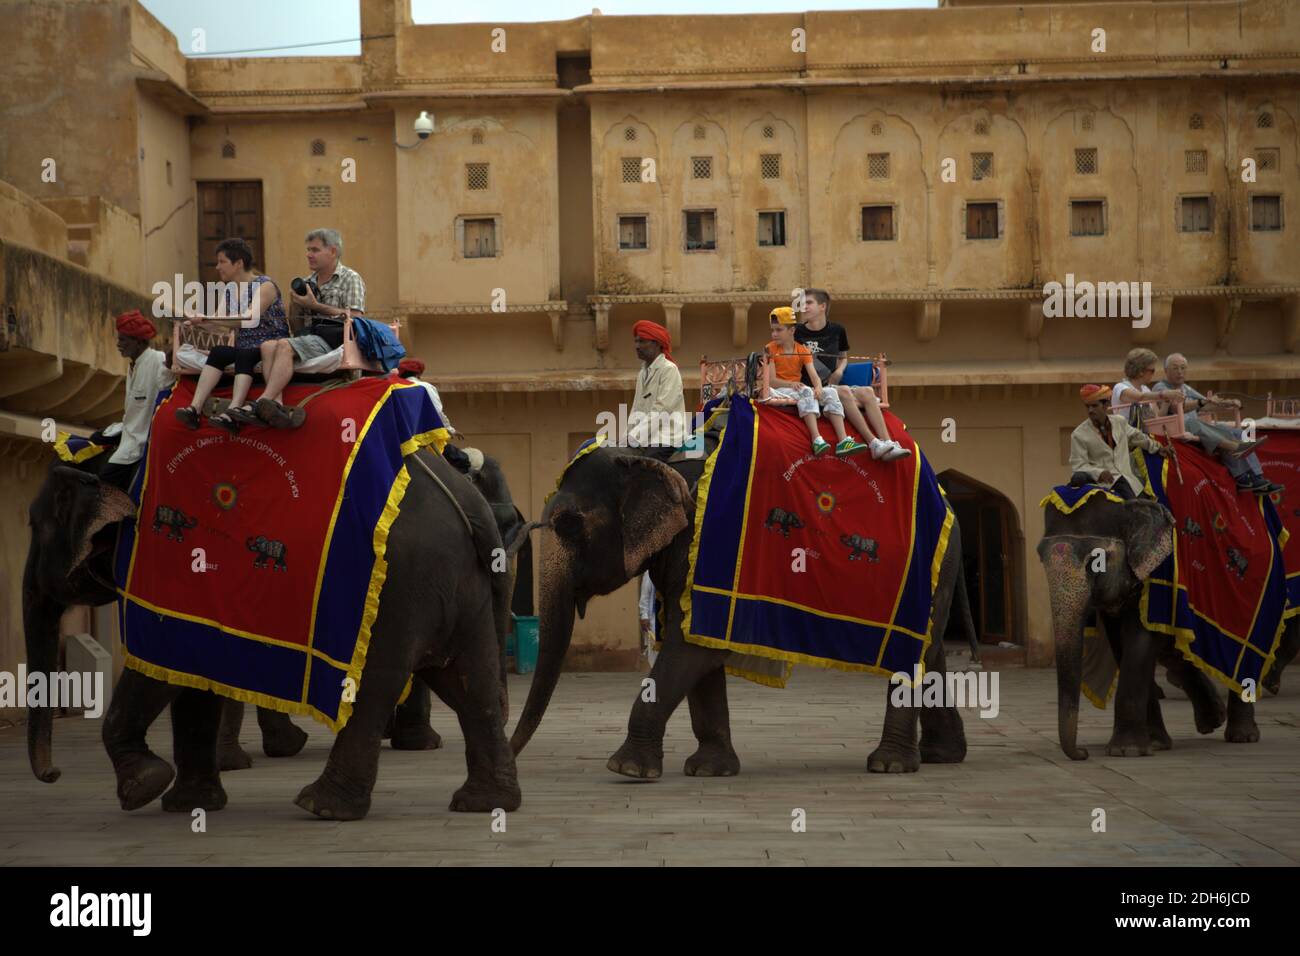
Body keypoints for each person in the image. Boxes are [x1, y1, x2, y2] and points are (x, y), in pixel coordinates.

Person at [172, 237, 288, 435]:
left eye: (222, 261)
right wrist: (198, 322)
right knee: (219, 352)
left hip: (268, 346)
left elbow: (249, 318)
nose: (217, 267)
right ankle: (195, 408)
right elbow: (220, 325)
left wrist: (208, 318)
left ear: (239, 263)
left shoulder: (265, 286)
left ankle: (233, 411)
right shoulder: (230, 291)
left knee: (244, 353)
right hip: (245, 346)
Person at [256, 228, 367, 428]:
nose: (309, 255)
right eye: (308, 250)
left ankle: (263, 401)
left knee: (283, 346)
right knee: (267, 346)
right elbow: (297, 328)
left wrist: (315, 306)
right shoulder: (306, 283)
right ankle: (277, 405)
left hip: (336, 339)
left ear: (332, 252)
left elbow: (355, 318)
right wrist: (296, 305)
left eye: (315, 250)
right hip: (308, 338)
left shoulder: (350, 278)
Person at [795, 288, 908, 460]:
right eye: (802, 304)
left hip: (832, 384)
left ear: (822, 306)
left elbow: (843, 358)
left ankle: (889, 443)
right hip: (811, 388)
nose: (804, 307)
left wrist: (839, 371)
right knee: (845, 391)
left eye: (809, 303)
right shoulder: (797, 332)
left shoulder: (837, 330)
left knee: (868, 392)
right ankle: (873, 443)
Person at [1155, 353, 1279, 495]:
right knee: (1196, 423)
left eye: (1183, 368)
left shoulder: (1186, 388)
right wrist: (1202, 402)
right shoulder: (1160, 387)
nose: (1180, 372)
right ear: (1166, 371)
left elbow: (1205, 404)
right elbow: (1175, 407)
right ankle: (1241, 473)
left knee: (1234, 432)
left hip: (1196, 427)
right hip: (1178, 428)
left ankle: (1258, 478)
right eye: (1175, 368)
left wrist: (1225, 403)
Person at [760, 307, 870, 457]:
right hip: (780, 389)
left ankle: (843, 441)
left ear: (792, 331)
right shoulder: (769, 349)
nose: (774, 334)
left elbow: (814, 375)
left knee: (830, 391)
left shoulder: (802, 350)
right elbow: (771, 381)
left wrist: (818, 387)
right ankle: (816, 439)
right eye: (773, 330)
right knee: (806, 390)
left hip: (795, 389)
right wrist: (791, 384)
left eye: (779, 330)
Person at [99, 309, 177, 491]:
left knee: (103, 483)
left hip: (140, 441)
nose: (118, 344)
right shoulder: (134, 363)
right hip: (126, 431)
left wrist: (170, 361)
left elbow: (167, 382)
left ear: (139, 342)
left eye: (123, 340)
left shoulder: (157, 360)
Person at [1069, 384, 1170, 500]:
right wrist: (1099, 472)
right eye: (1087, 407)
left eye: (1094, 406)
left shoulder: (1119, 422)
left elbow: (1137, 437)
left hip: (1129, 481)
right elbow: (1078, 465)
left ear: (1106, 405)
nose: (1090, 410)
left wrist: (1159, 448)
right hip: (1104, 484)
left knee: (1153, 505)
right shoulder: (1078, 434)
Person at [395, 358, 473, 474]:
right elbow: (437, 412)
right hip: (424, 438)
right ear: (418, 373)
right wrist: (450, 429)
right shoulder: (425, 387)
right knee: (463, 461)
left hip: (399, 439)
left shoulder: (394, 387)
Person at [629, 320, 686, 462]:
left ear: (657, 344)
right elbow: (636, 409)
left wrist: (635, 435)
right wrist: (628, 435)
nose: (637, 346)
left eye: (642, 341)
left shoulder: (669, 369)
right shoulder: (642, 373)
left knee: (642, 470)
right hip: (645, 437)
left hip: (666, 437)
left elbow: (662, 409)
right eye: (636, 341)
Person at [1111, 347, 1173, 427]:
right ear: (1141, 371)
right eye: (1152, 371)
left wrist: (1166, 402)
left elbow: (1157, 417)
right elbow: (1139, 397)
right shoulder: (1120, 387)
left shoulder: (1146, 389)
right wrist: (1163, 394)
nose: (1154, 374)